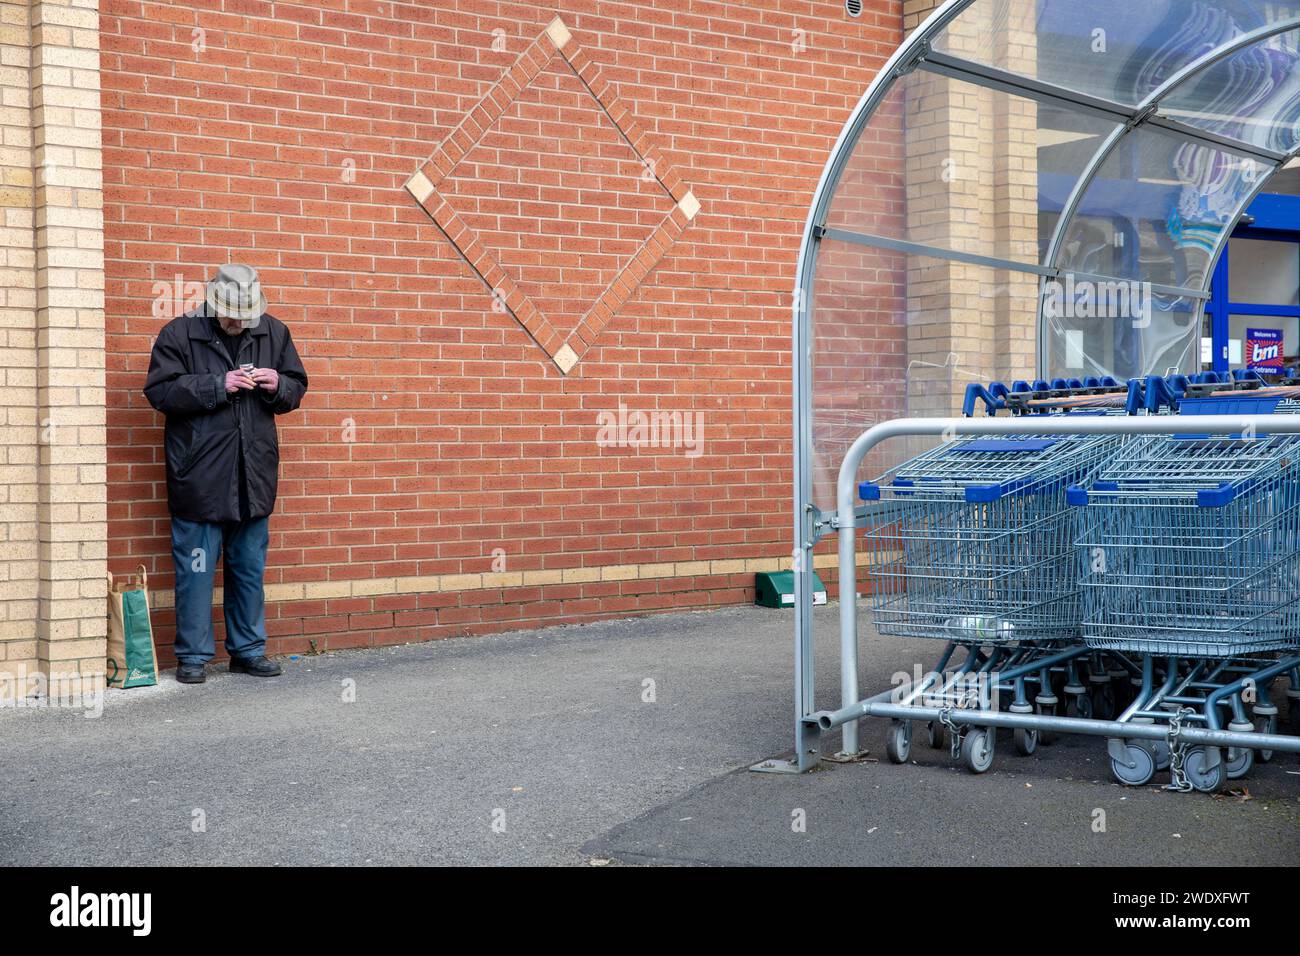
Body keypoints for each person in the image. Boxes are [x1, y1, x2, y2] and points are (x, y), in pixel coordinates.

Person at [144, 264, 308, 684]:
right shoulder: (178, 334)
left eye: (246, 313)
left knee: (248, 567)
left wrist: (279, 385)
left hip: (253, 476)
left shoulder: (274, 331)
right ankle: (194, 656)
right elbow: (160, 392)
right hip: (200, 478)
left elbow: (296, 386)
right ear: (213, 304)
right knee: (196, 571)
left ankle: (248, 651)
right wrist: (220, 384)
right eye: (231, 312)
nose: (239, 321)